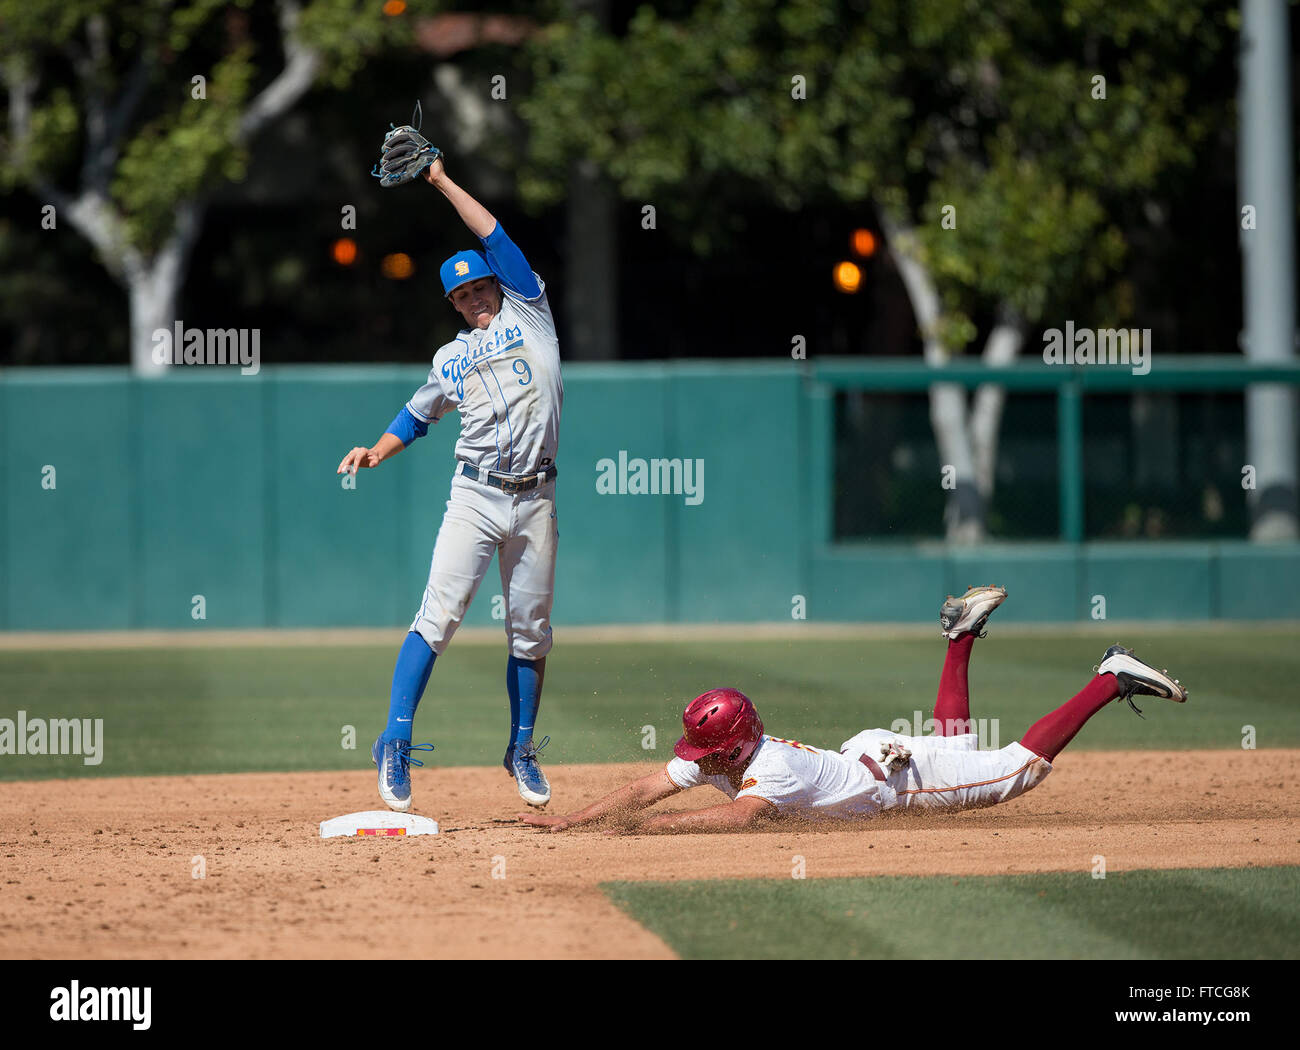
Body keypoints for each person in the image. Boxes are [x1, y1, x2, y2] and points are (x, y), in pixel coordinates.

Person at [519, 585, 1187, 833]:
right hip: (869, 759)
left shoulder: (769, 770)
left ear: (733, 742)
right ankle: (958, 640)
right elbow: (648, 784)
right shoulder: (733, 749)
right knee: (952, 746)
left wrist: (651, 831)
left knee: (1020, 768)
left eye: (705, 748)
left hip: (896, 778)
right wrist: (575, 822)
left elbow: (740, 819)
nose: (697, 757)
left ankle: (1107, 678)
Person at [338, 156, 563, 813]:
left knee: (532, 634)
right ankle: (396, 743)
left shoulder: (532, 315)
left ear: (499, 285)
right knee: (436, 618)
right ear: (454, 305)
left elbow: (494, 233)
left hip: (537, 499)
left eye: (480, 287)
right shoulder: (451, 356)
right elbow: (418, 413)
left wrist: (438, 180)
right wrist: (378, 450)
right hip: (477, 494)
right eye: (462, 296)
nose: (474, 298)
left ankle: (521, 748)